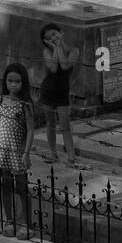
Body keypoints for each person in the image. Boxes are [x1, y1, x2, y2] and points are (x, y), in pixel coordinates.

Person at [0, 63, 35, 239]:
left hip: (17, 151)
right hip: (2, 149)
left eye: (17, 81)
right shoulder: (1, 100)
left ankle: (25, 224)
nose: (13, 85)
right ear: (5, 81)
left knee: (21, 187)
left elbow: (30, 129)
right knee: (5, 186)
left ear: (23, 83)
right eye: (10, 81)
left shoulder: (24, 104)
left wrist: (26, 153)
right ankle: (9, 221)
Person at [37, 24, 80, 167]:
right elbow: (54, 68)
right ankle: (53, 153)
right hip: (48, 91)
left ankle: (71, 157)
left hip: (63, 92)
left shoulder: (74, 51)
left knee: (65, 126)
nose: (54, 38)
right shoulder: (46, 52)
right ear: (46, 42)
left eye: (55, 34)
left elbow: (65, 65)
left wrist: (59, 48)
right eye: (50, 38)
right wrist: (55, 49)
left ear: (62, 33)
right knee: (50, 124)